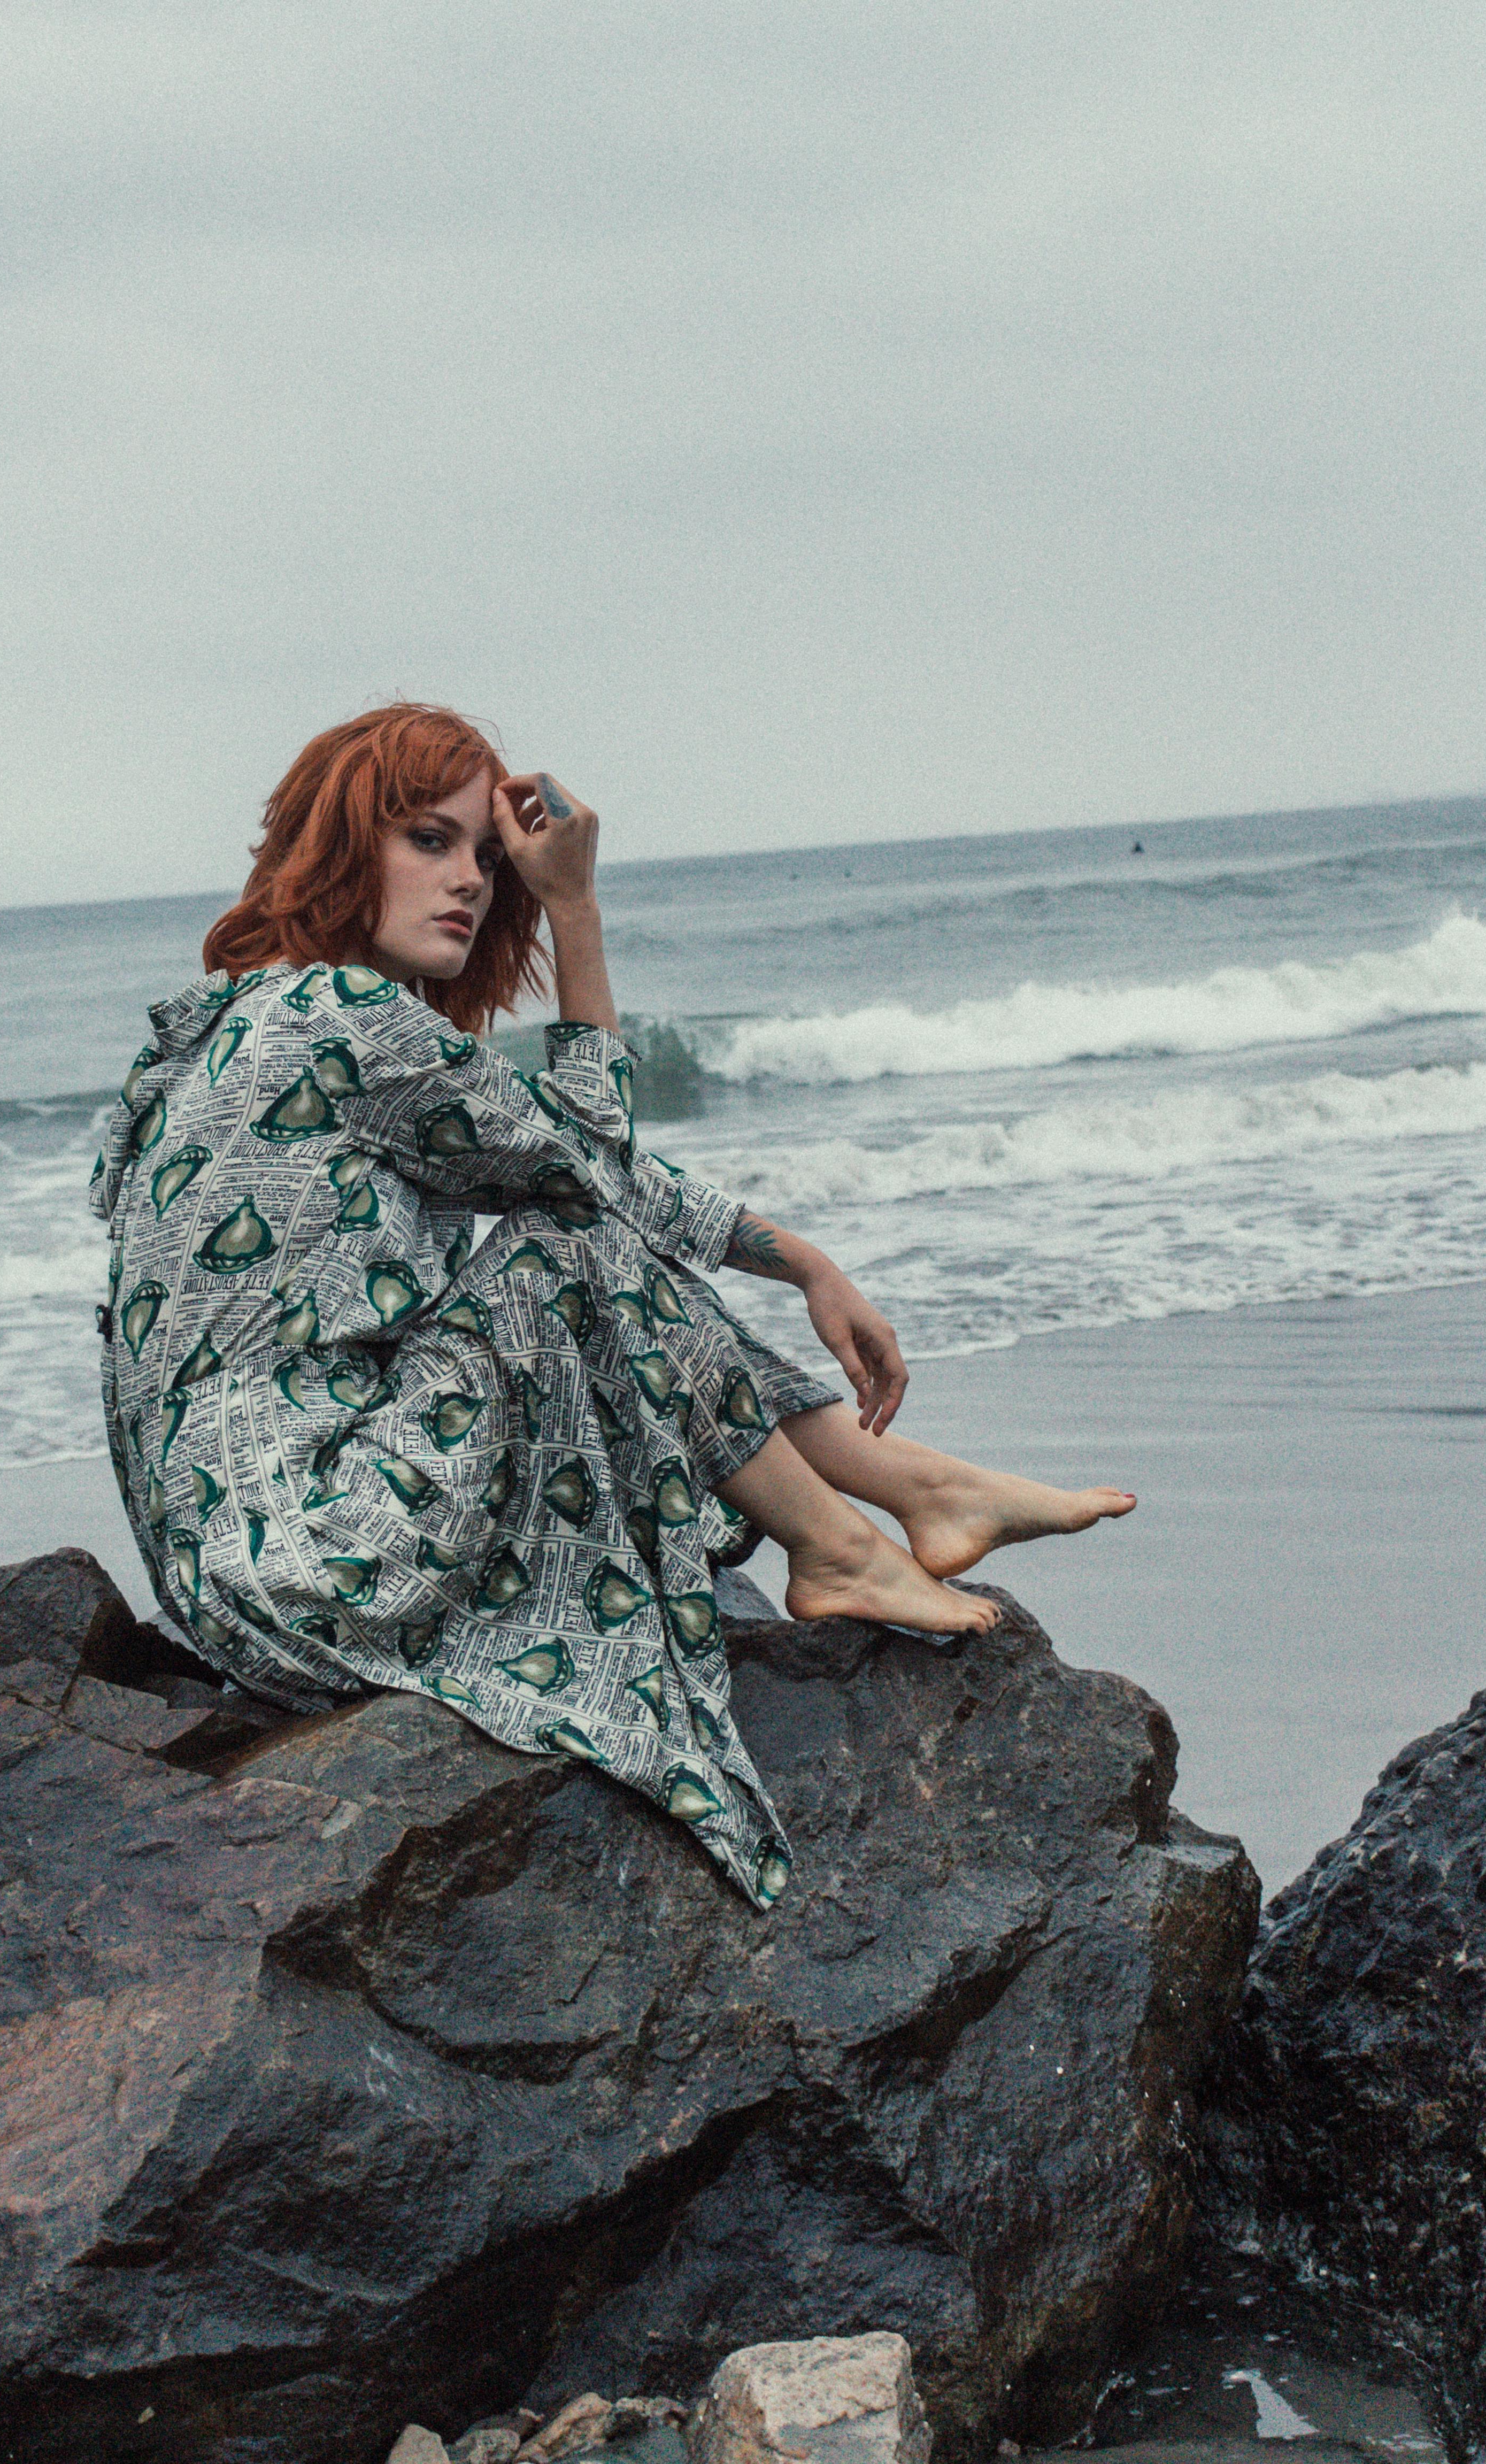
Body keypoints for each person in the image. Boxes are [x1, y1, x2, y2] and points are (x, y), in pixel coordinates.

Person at [91, 703, 1134, 1907]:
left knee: (562, 1243)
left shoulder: (240, 1015)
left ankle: (917, 1498)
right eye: (429, 841)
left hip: (239, 1568)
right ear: (339, 843)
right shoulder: (335, 1017)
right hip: (315, 1556)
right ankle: (851, 1537)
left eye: (487, 859)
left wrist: (802, 1261)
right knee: (565, 1242)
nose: (470, 884)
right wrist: (578, 910)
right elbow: (590, 1168)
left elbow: (569, 1164)